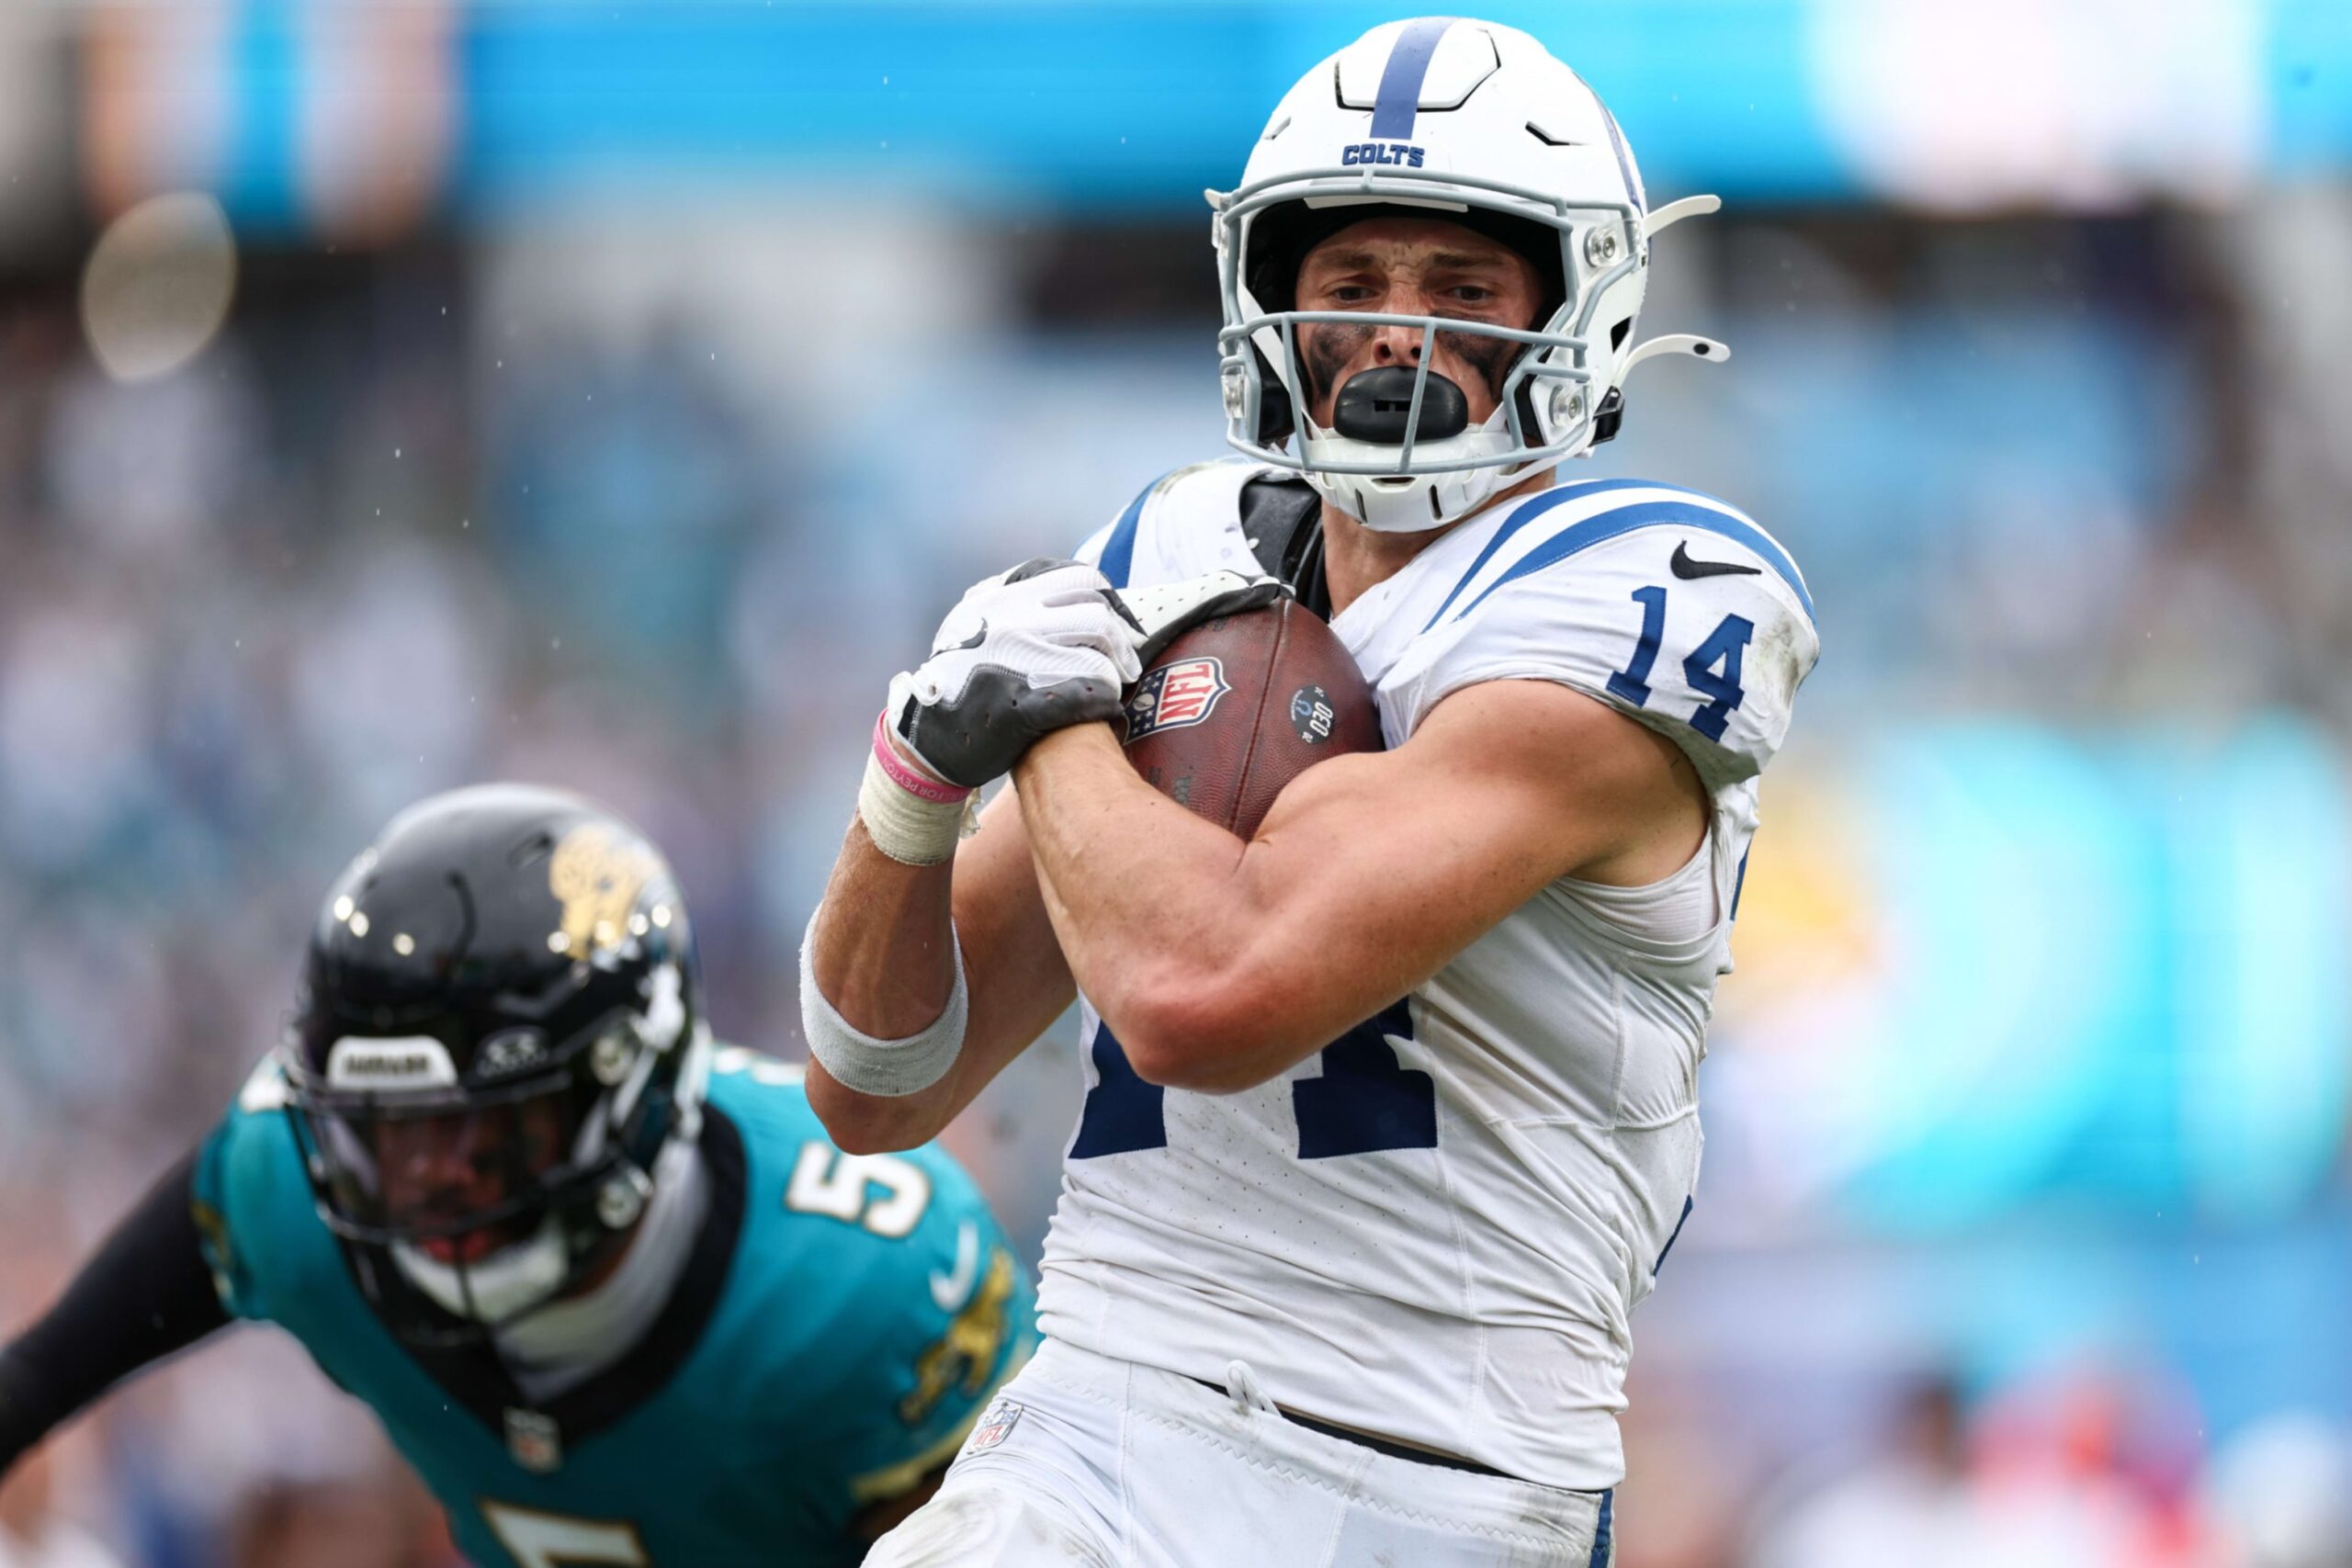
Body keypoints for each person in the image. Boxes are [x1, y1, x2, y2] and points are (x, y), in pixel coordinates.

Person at [802, 16, 1819, 1566]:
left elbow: (1205, 991)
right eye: (1352, 282)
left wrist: (1053, 717)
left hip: (1439, 1482)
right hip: (1100, 1419)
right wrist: (914, 778)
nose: (1397, 334)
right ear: (1274, 297)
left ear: (1580, 309)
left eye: (1463, 289)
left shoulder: (1634, 592)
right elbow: (877, 1089)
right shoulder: (1178, 553)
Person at [0, 784, 1032, 1568]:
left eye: (489, 1131)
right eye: (392, 1134)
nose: (433, 1181)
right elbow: (51, 1366)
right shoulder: (293, 1185)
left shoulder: (864, 1284)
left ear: (628, 1085)